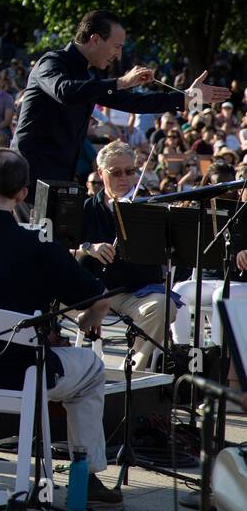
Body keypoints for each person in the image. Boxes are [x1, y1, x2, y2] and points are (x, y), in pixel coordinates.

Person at [0, 147, 122, 506]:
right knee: (92, 369)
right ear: (23, 194)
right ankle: (87, 477)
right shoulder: (39, 242)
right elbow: (99, 298)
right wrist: (89, 321)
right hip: (22, 373)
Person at [11, 10, 228, 187]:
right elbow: (65, 92)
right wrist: (121, 82)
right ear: (95, 39)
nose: (119, 55)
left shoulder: (90, 77)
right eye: (117, 46)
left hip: (58, 176)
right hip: (27, 175)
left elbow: (133, 102)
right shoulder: (50, 63)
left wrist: (188, 98)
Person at [74, 140, 177, 371]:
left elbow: (170, 249)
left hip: (135, 293)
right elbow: (64, 248)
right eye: (116, 172)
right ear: (100, 173)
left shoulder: (149, 205)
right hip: (93, 291)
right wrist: (89, 247)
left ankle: (131, 371)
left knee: (164, 306)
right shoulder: (87, 208)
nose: (124, 178)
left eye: (130, 172)